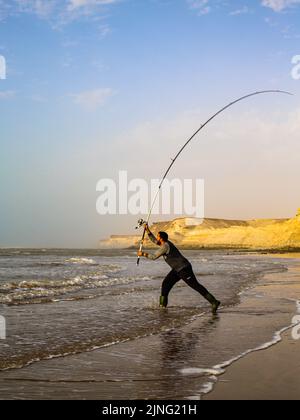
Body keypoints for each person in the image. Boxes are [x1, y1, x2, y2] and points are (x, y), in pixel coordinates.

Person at [137, 224, 221, 313]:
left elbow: (153, 257)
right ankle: (162, 308)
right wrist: (147, 230)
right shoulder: (164, 243)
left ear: (161, 238)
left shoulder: (165, 246)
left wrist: (143, 254)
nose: (156, 238)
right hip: (177, 269)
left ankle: (214, 302)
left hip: (184, 269)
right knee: (165, 284)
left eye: (158, 236)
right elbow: (154, 240)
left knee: (196, 286)